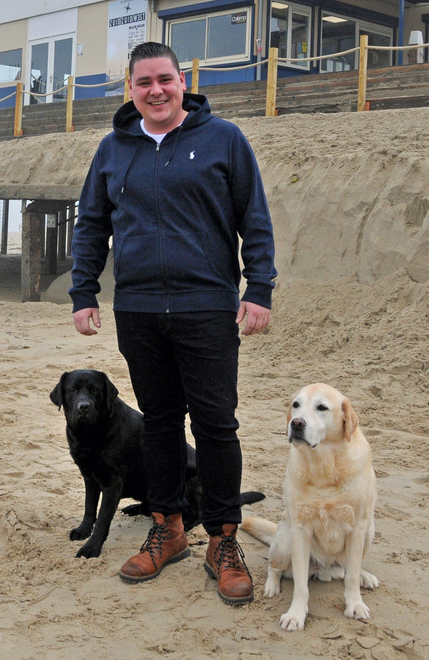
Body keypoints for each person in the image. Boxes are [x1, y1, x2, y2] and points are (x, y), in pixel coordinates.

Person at [69, 41, 276, 605]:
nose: (155, 91)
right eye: (143, 83)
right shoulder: (113, 149)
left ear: (182, 81)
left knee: (216, 422)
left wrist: (259, 289)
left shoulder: (223, 140)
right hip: (136, 308)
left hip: (206, 305)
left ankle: (223, 539)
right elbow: (91, 224)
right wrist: (83, 291)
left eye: (165, 79)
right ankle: (169, 529)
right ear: (130, 89)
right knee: (158, 420)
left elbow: (252, 216)